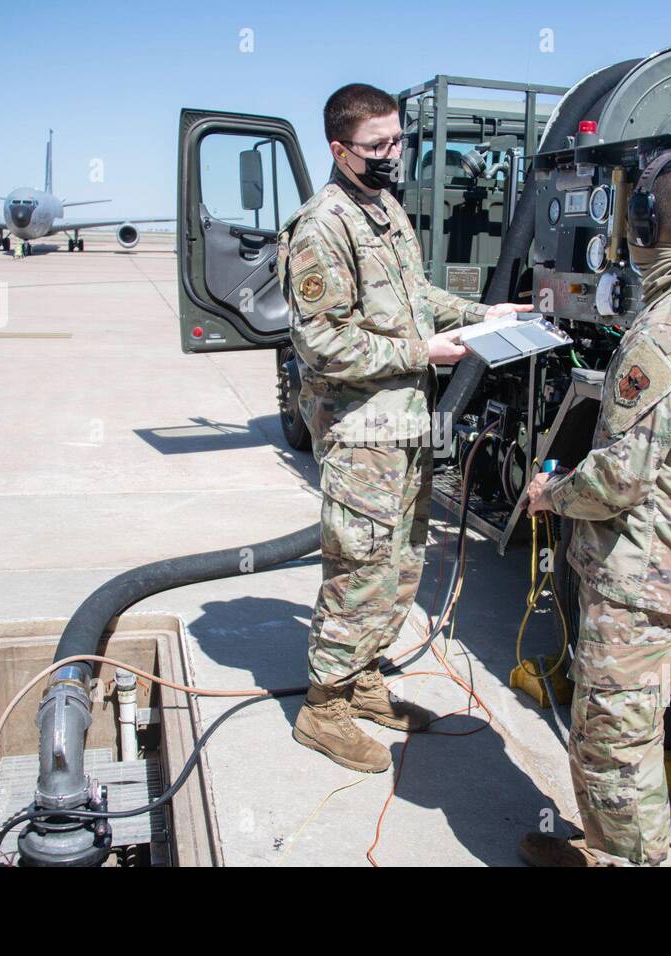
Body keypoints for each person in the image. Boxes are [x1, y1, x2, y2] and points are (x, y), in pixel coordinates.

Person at [277, 82, 529, 773]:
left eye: (399, 140)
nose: (394, 154)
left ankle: (362, 679)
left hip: (404, 428)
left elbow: (413, 297)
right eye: (378, 145)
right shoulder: (323, 224)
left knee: (400, 560)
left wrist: (482, 317)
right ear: (339, 149)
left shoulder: (383, 208)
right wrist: (424, 353)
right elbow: (322, 342)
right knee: (358, 566)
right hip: (360, 432)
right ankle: (322, 708)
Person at [521, 150, 671, 865]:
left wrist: (551, 493)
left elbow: (620, 478)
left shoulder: (667, 332)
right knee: (624, 730)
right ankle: (607, 848)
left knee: (616, 750)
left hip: (641, 581)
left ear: (646, 224)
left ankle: (629, 858)